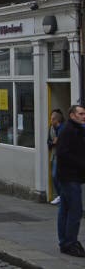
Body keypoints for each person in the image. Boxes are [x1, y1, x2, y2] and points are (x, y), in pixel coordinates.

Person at [55, 104, 85, 257]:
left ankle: (65, 242)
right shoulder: (69, 130)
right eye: (80, 114)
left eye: (83, 113)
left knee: (65, 210)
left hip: (69, 176)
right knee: (75, 210)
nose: (83, 116)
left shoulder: (76, 129)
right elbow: (64, 154)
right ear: (72, 115)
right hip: (69, 177)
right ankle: (70, 242)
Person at [48, 109, 64, 204]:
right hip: (55, 155)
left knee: (57, 176)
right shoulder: (51, 128)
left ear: (56, 120)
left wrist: (59, 141)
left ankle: (62, 196)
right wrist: (52, 142)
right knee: (54, 176)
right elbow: (48, 141)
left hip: (61, 156)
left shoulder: (63, 128)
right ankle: (60, 195)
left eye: (52, 119)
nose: (50, 121)